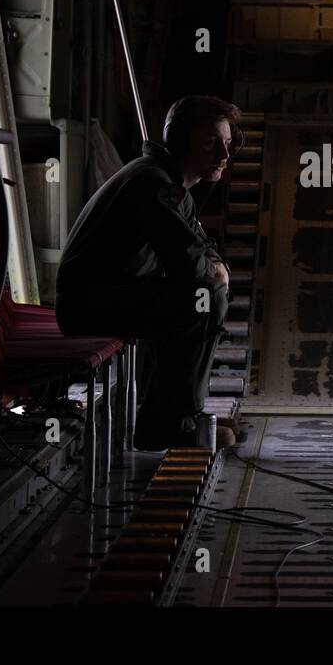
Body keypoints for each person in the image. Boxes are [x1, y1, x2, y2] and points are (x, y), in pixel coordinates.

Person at [55, 96, 241, 450]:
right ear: (179, 141)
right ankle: (167, 423)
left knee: (202, 293)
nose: (223, 155)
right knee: (204, 299)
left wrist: (217, 268)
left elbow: (202, 247)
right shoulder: (153, 184)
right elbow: (189, 264)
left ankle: (174, 414)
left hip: (110, 297)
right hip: (85, 307)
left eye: (227, 144)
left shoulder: (172, 187)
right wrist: (215, 274)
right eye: (210, 143)